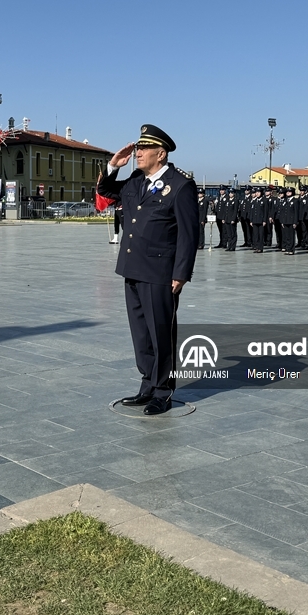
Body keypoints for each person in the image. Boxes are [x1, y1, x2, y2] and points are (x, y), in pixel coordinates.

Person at [97, 124, 198, 416]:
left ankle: (163, 390)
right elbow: (106, 191)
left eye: (143, 149)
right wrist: (114, 165)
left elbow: (189, 235)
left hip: (160, 273)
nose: (137, 153)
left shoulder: (180, 185)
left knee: (160, 331)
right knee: (141, 332)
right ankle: (147, 384)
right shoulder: (136, 180)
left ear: (161, 154)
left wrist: (180, 274)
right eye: (137, 148)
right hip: (133, 267)